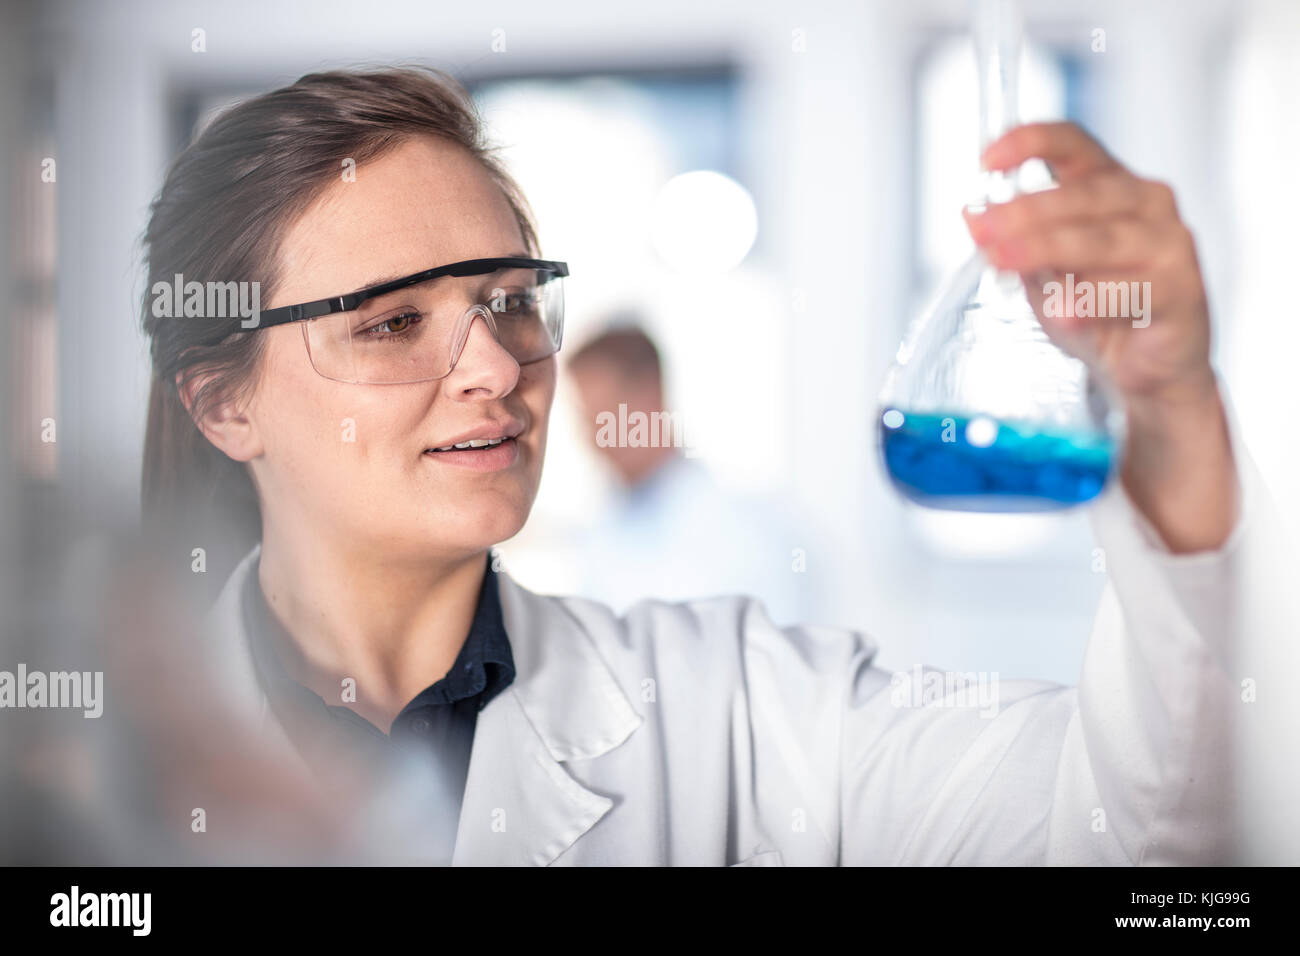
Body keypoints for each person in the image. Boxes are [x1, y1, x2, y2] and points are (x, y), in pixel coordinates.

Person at [138, 66, 1257, 865]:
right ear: (225, 404)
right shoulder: (90, 761)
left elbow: (1129, 829)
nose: (496, 364)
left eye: (511, 301)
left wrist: (1166, 410)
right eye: (390, 322)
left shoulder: (731, 707)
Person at [565, 322, 812, 625]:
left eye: (607, 416)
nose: (597, 440)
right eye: (588, 420)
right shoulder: (600, 532)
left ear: (653, 396)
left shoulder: (747, 532)